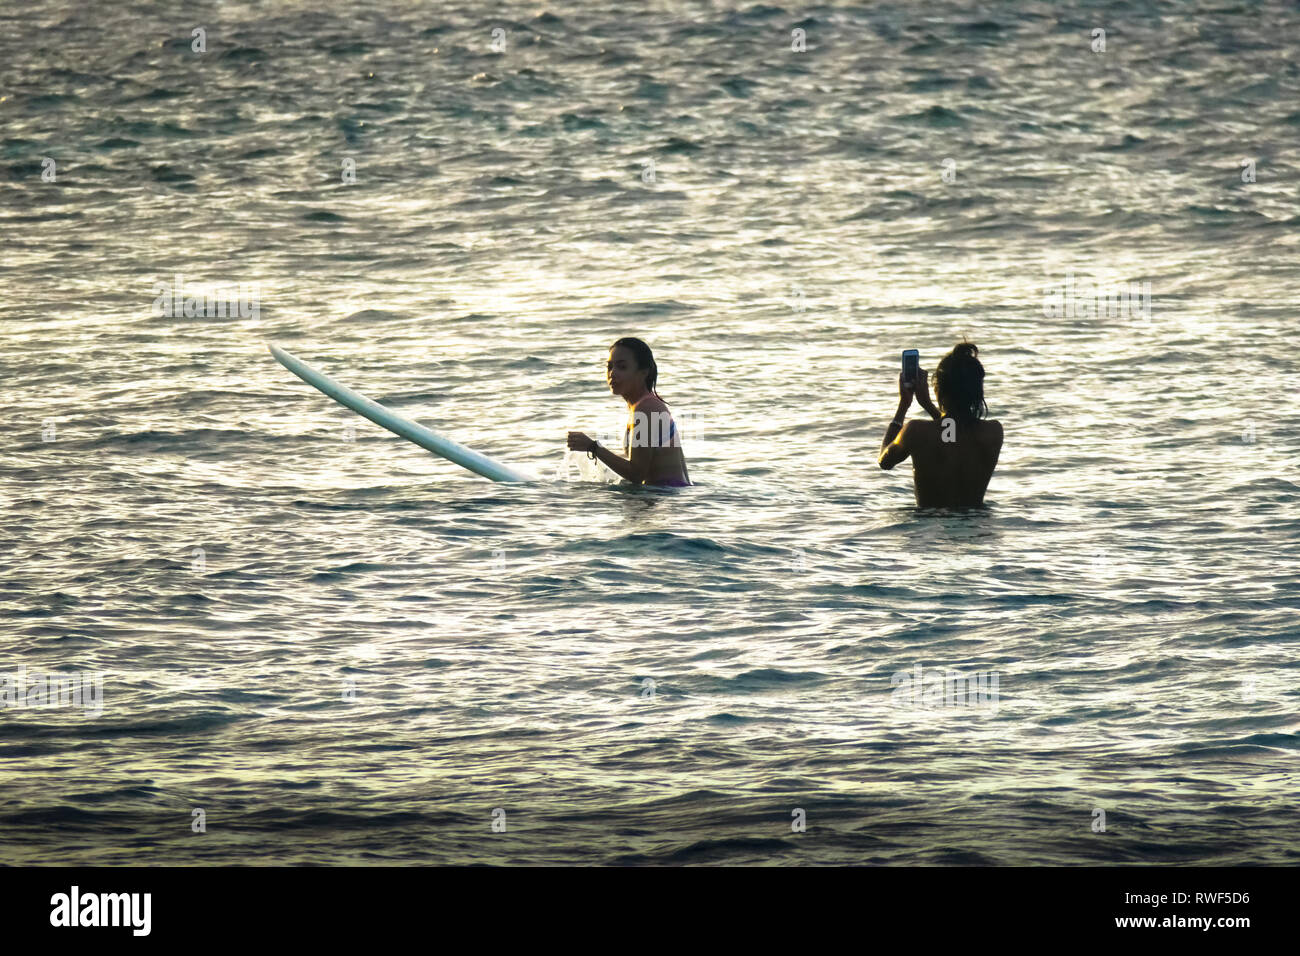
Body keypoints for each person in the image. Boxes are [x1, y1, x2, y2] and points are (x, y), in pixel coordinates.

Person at [878, 341, 1002, 507]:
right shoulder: (993, 432)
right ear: (977, 390)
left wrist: (903, 406)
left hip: (930, 527)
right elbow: (954, 433)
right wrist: (928, 405)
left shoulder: (916, 431)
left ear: (938, 389)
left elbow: (884, 461)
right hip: (977, 528)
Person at [567, 337, 692, 487]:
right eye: (609, 367)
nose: (612, 373)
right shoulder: (645, 405)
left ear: (643, 372)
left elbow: (637, 474)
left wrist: (593, 447)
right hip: (667, 496)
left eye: (622, 367)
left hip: (665, 498)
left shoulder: (647, 408)